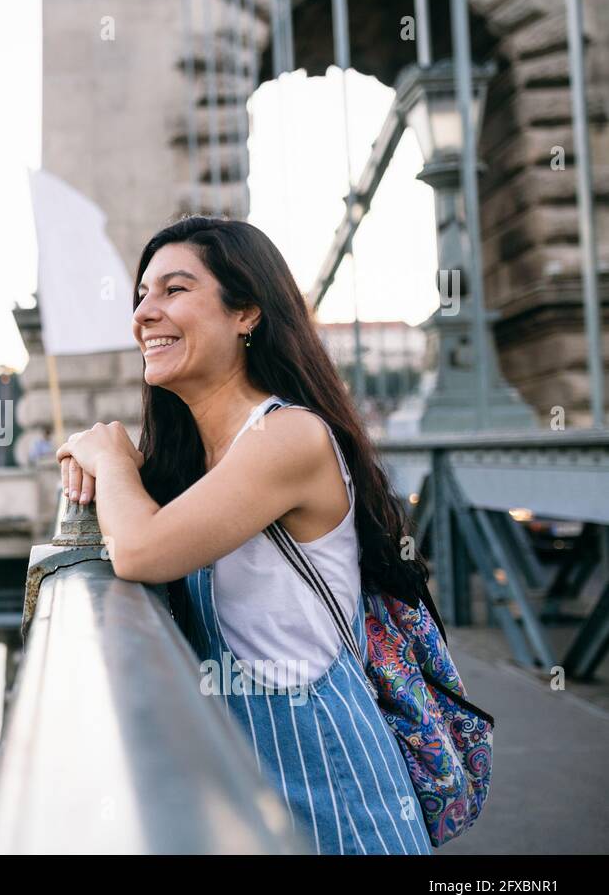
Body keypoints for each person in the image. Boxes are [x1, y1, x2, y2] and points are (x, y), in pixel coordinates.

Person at [55, 215, 433, 854]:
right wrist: (100, 461)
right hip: (243, 789)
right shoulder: (195, 463)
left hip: (336, 790)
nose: (145, 313)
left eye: (174, 290)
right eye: (142, 295)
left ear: (247, 313)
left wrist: (113, 461)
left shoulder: (288, 437)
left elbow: (141, 550)